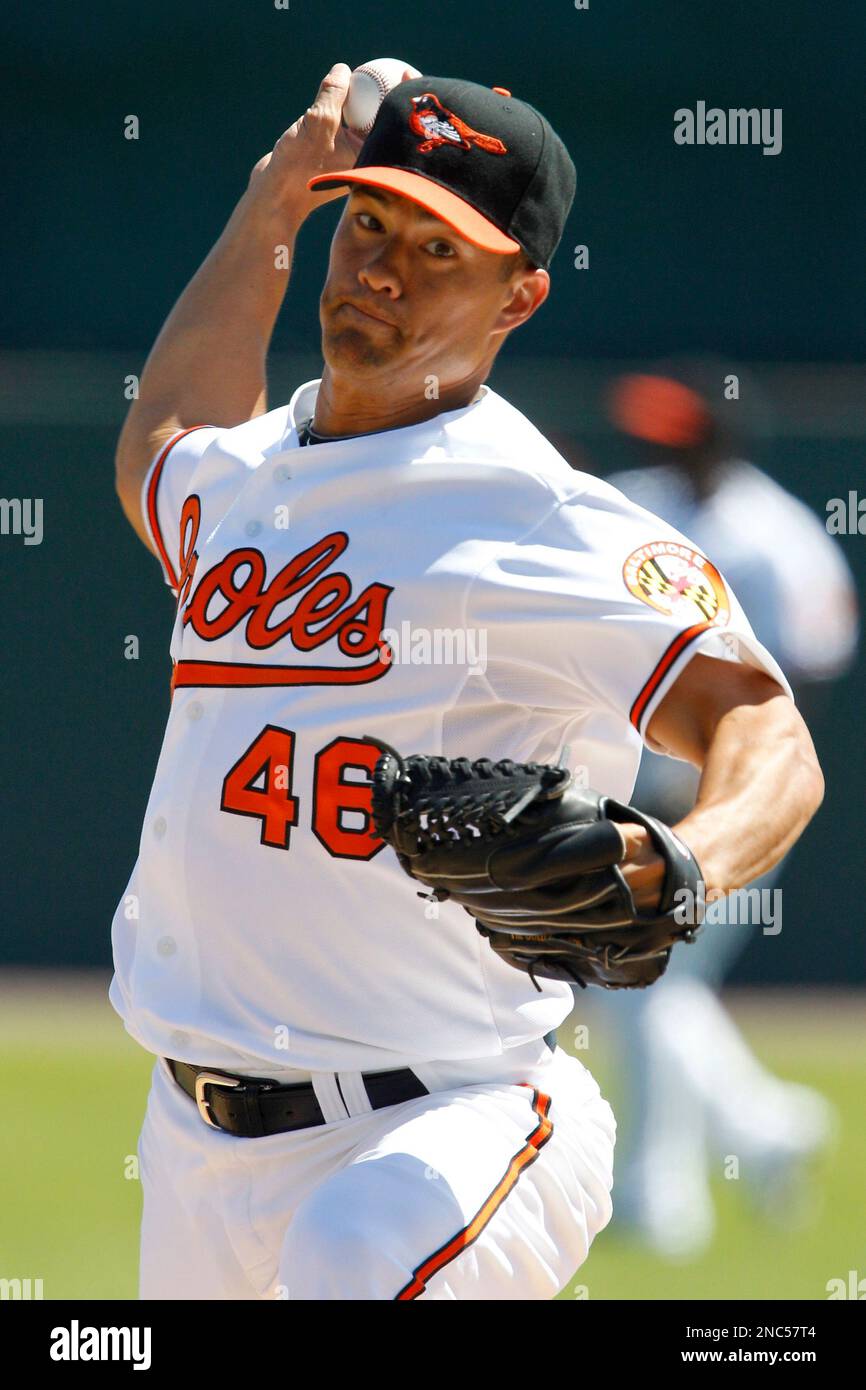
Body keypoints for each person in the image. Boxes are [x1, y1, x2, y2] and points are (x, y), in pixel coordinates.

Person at [111, 67, 824, 1301]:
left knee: (349, 1267)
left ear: (521, 294)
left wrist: (682, 858)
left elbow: (767, 730)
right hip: (190, 1147)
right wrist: (276, 193)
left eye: (441, 248)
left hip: (445, 1119)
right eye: (369, 222)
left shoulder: (540, 517)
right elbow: (161, 441)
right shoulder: (244, 478)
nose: (382, 268)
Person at [592, 365, 857, 1255]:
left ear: (719, 438)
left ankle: (661, 1201)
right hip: (632, 798)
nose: (660, 447)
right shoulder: (638, 503)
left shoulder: (779, 538)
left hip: (735, 803)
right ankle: (765, 1129)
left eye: (680, 434)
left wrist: (729, 788)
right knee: (644, 990)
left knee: (647, 986)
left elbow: (806, 680)